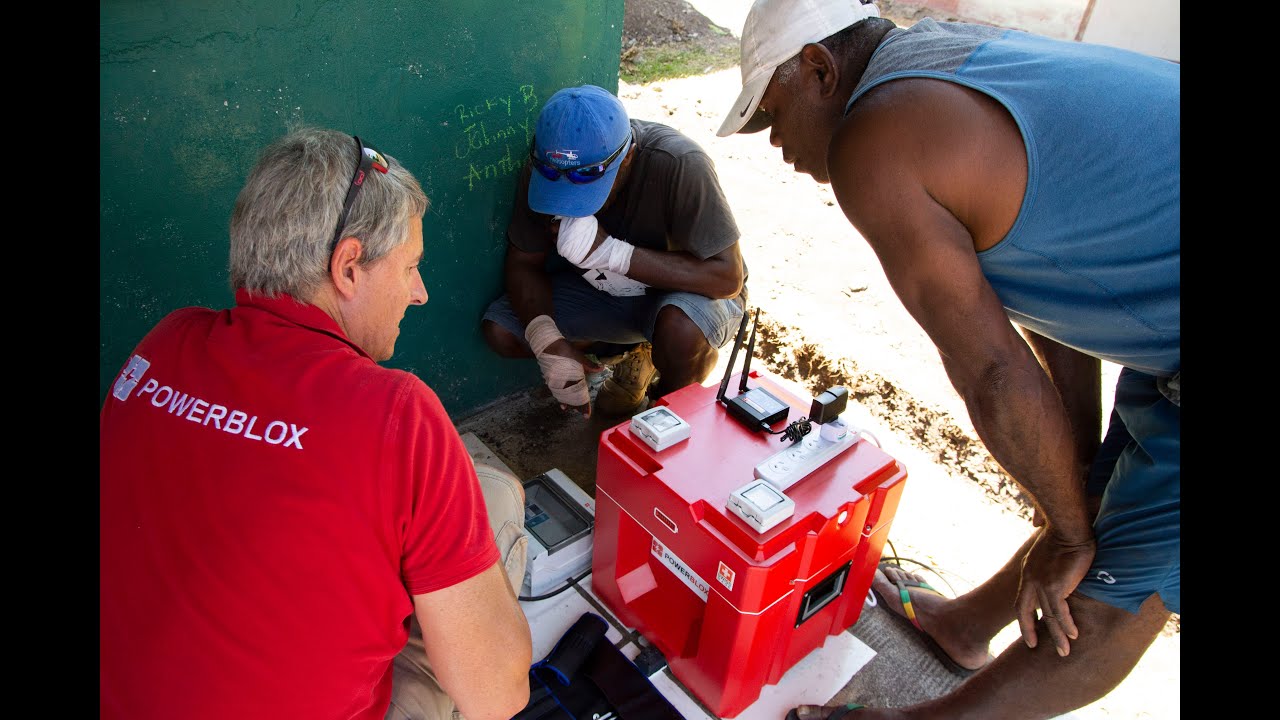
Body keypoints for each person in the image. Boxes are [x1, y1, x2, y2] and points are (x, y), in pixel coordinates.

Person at [715, 1, 1179, 718]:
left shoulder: (874, 141)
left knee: (1113, 600)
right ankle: (966, 627)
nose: (775, 142)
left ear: (818, 69)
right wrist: (1073, 490)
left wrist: (1069, 534)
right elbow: (1052, 284)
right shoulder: (945, 53)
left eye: (772, 115)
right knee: (1090, 496)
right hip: (1162, 316)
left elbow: (992, 373)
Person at [100, 126, 533, 720]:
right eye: (410, 266)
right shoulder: (398, 414)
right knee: (493, 495)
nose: (420, 292)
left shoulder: (165, 343)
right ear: (349, 266)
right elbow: (500, 696)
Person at [481, 84, 747, 418]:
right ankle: (629, 352)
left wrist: (611, 253)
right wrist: (548, 343)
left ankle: (661, 411)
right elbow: (524, 263)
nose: (571, 207)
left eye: (586, 189)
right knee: (501, 330)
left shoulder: (679, 163)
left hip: (685, 295)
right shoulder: (544, 169)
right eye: (557, 187)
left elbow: (727, 277)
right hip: (605, 292)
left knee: (681, 331)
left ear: (628, 158)